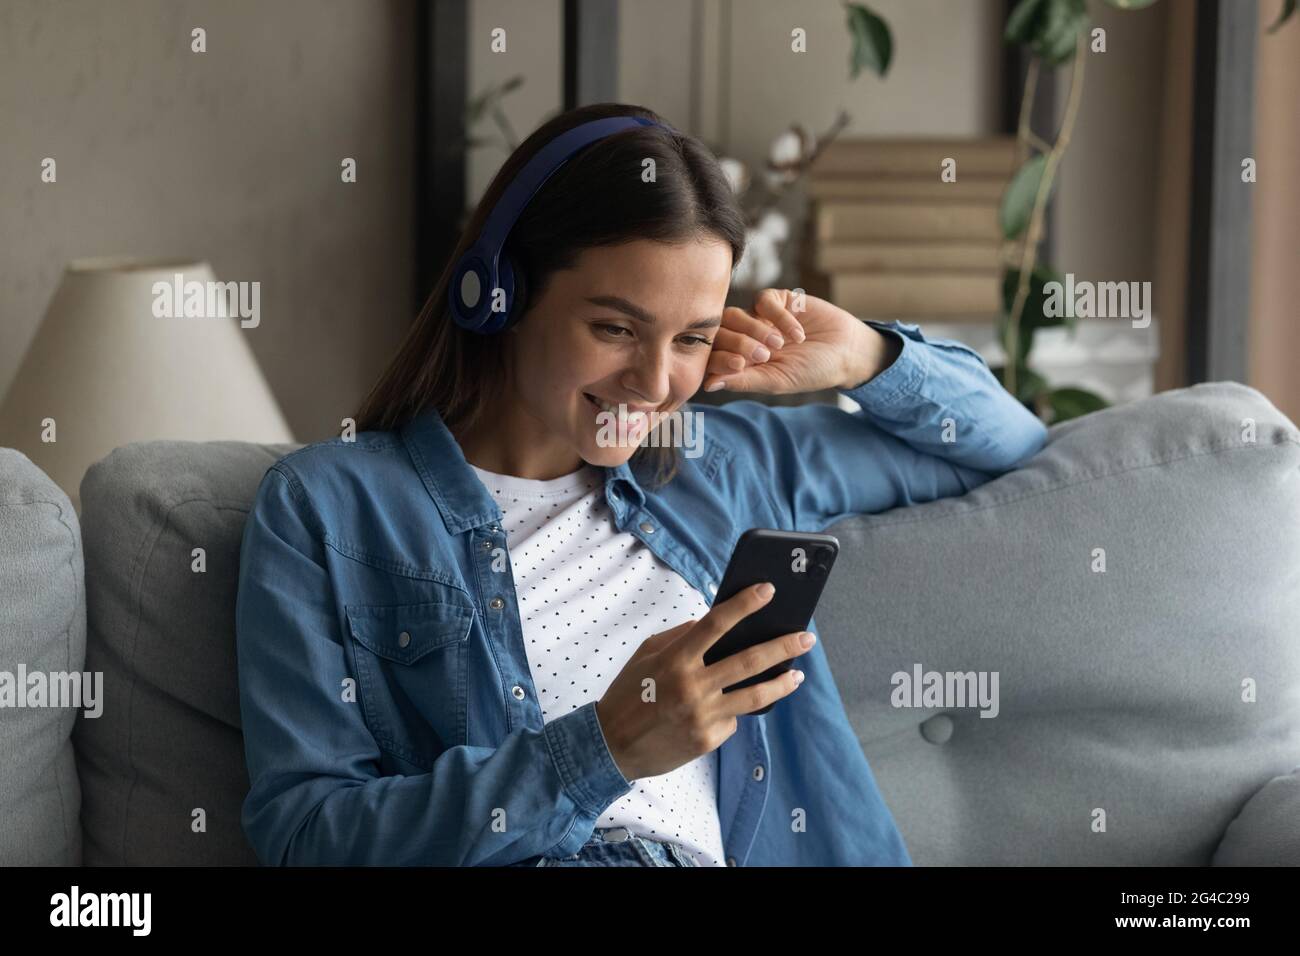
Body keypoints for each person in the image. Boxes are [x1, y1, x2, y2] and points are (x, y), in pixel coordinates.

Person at [234, 102, 1048, 867]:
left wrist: (865, 356)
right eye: (616, 328)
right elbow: (306, 833)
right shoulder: (327, 507)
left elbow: (1001, 444)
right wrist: (604, 749)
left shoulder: (718, 464)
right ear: (499, 296)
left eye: (692, 338)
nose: (656, 382)